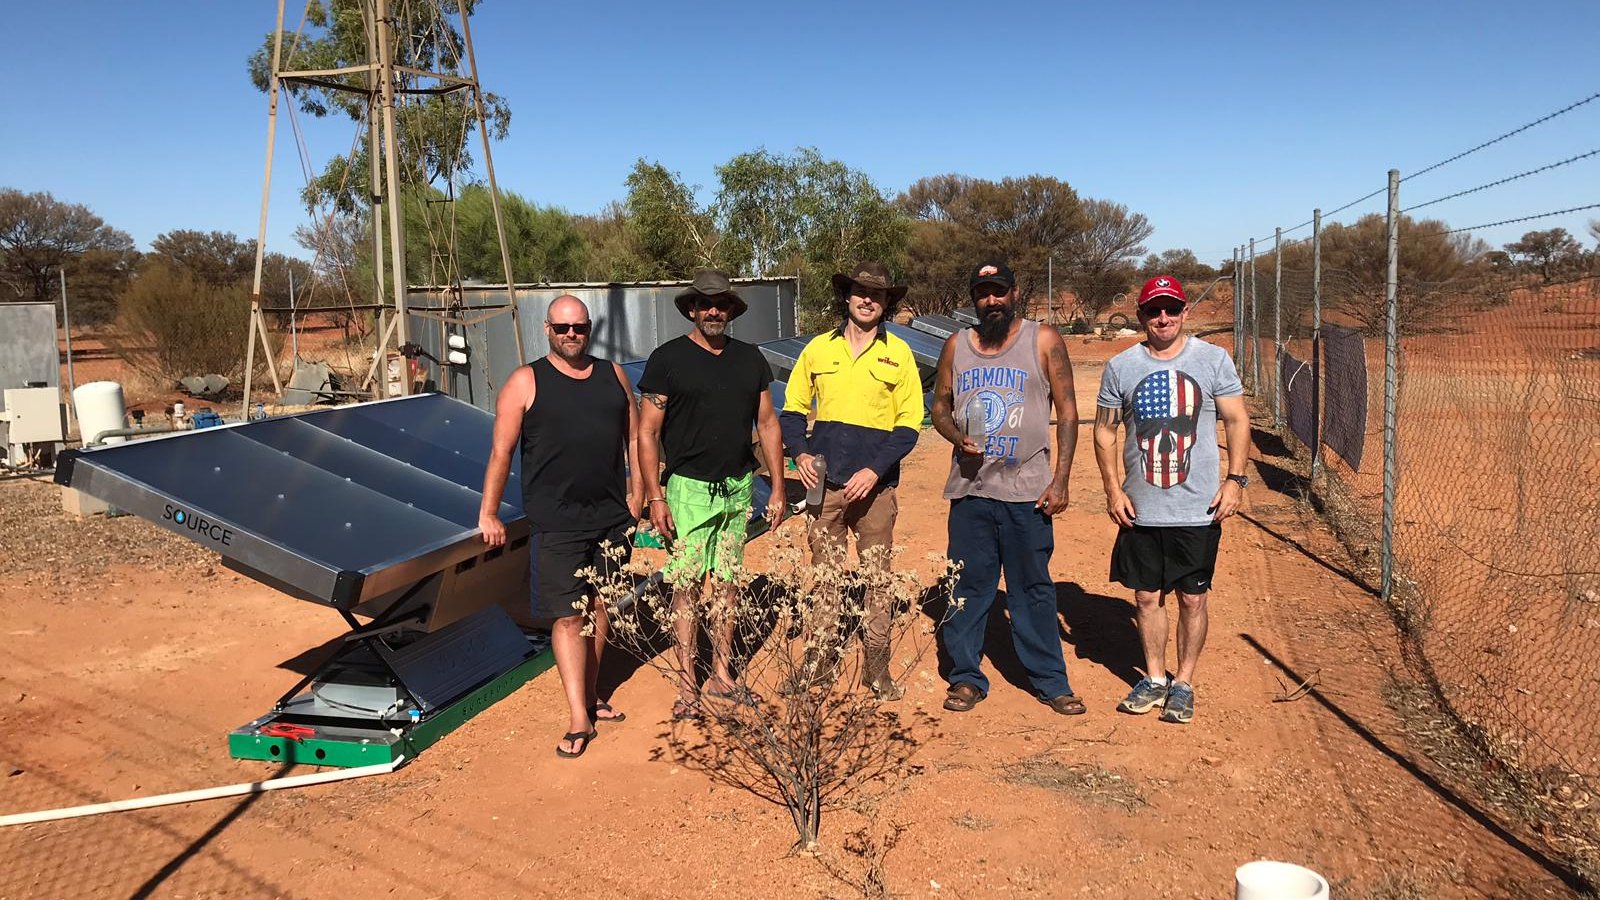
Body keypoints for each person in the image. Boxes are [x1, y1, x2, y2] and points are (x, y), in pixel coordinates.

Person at [479, 295, 643, 759]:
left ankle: (592, 695)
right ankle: (578, 716)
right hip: (557, 522)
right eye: (563, 327)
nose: (572, 335)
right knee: (568, 616)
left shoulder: (613, 375)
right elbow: (501, 452)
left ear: (589, 329)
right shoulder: (525, 381)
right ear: (547, 330)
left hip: (611, 516)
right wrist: (488, 512)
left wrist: (638, 491)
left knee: (601, 604)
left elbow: (633, 436)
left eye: (580, 327)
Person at [1093, 275, 1249, 725]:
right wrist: (1112, 488)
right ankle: (1155, 678)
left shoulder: (1213, 360)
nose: (1163, 318)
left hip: (1197, 507)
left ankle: (1184, 683)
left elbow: (1237, 421)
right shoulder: (1121, 367)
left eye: (1172, 309)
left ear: (1185, 313)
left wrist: (1235, 480)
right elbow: (1104, 431)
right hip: (1141, 507)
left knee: (1193, 600)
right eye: (1154, 310)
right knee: (1145, 597)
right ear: (1141, 315)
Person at [930, 260, 1083, 715]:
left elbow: (1069, 412)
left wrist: (1062, 480)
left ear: (1015, 294)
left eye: (999, 291)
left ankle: (1050, 680)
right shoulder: (957, 345)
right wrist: (956, 436)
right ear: (974, 299)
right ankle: (965, 677)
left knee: (1031, 586)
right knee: (968, 586)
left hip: (1027, 491)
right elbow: (939, 405)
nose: (991, 300)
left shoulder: (1043, 340)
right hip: (971, 491)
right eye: (983, 293)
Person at [637, 269, 787, 721]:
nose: (714, 310)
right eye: (706, 304)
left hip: (738, 487)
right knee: (685, 585)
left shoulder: (749, 358)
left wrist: (778, 486)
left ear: (731, 310)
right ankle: (687, 684)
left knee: (726, 583)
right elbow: (647, 431)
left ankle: (721, 673)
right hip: (687, 490)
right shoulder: (667, 360)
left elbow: (767, 424)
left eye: (721, 303)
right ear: (693, 309)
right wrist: (656, 497)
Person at [779, 261, 923, 700]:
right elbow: (791, 411)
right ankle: (819, 663)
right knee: (824, 574)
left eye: (876, 295)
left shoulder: (898, 354)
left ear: (885, 304)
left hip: (874, 489)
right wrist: (800, 452)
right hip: (825, 484)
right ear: (847, 296)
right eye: (861, 292)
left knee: (877, 577)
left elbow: (908, 424)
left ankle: (877, 669)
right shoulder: (817, 350)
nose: (867, 300)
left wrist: (873, 470)